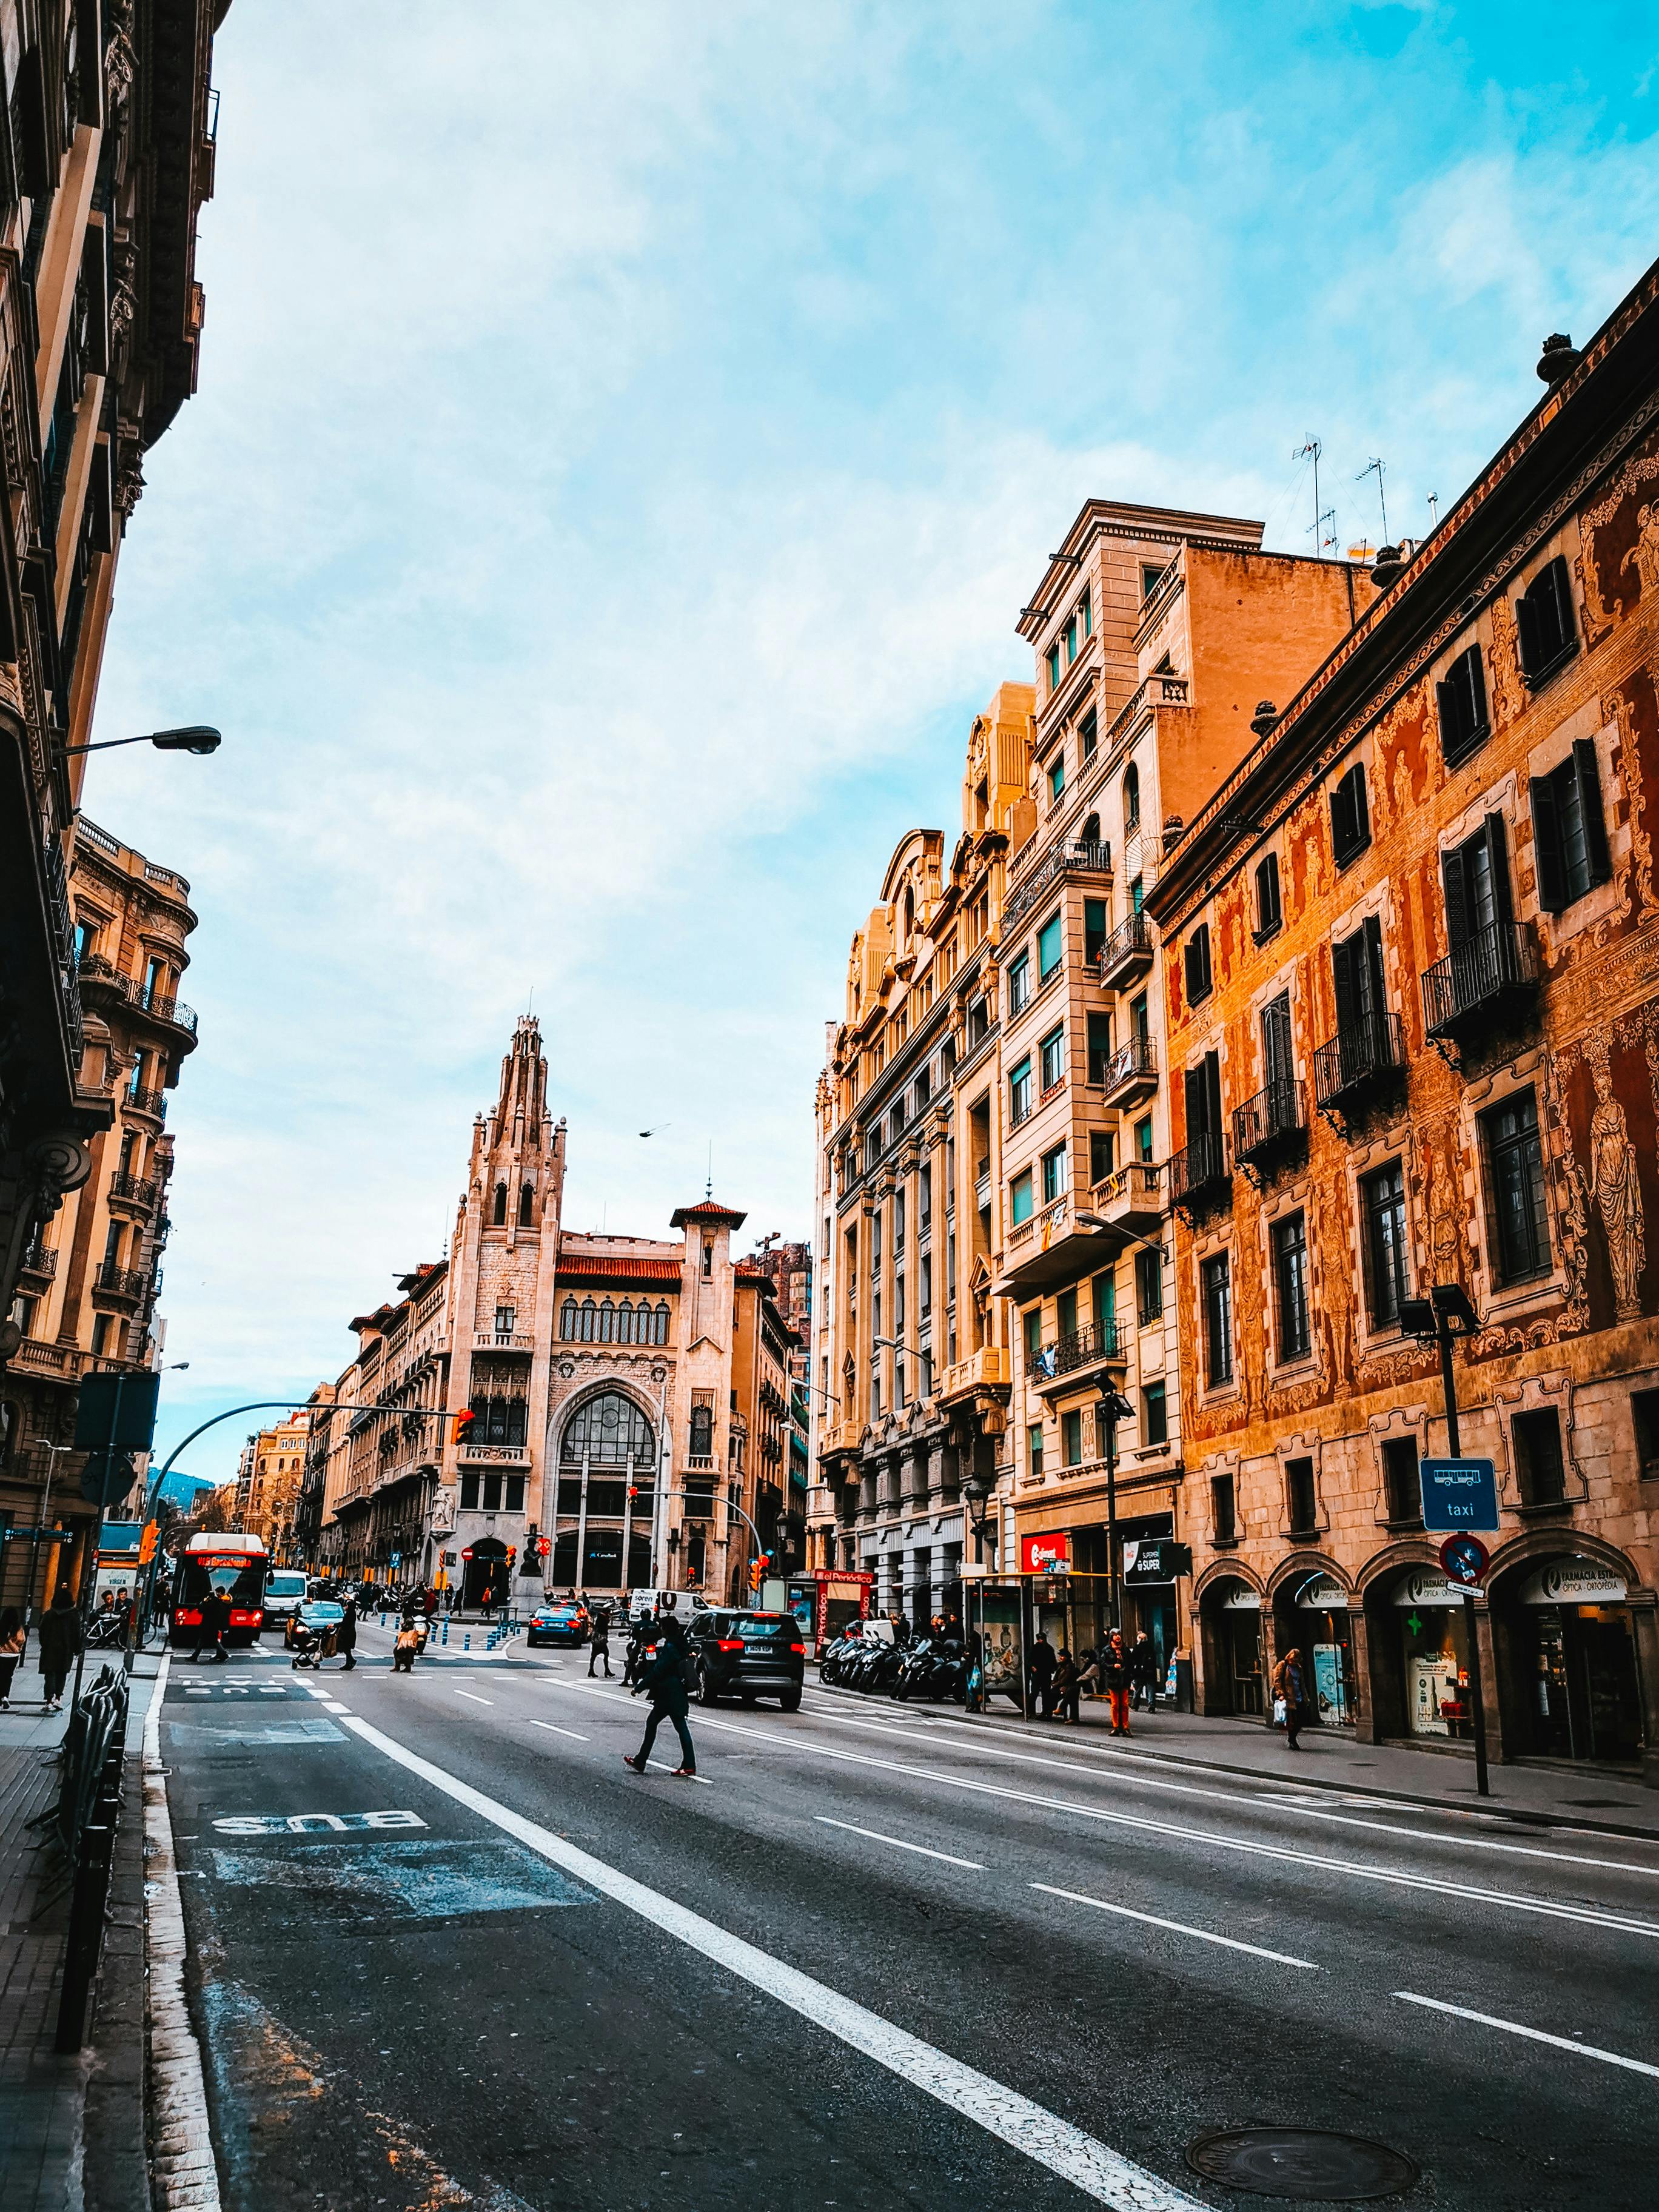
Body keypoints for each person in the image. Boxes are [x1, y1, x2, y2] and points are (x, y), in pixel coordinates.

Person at [624, 1622, 696, 1777]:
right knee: (668, 1724)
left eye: (662, 1627)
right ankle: (642, 1760)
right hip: (675, 1691)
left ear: (666, 1630)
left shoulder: (670, 1648)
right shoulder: (679, 1644)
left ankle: (688, 1764)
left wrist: (639, 1687)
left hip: (669, 1693)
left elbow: (659, 1670)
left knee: (675, 1726)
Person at [38, 1587, 82, 1708]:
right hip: (66, 1649)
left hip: (50, 1649)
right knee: (62, 1673)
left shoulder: (50, 1614)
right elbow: (77, 1633)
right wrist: (77, 1649)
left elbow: (42, 1630)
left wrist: (45, 1644)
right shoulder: (74, 1615)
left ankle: (48, 1700)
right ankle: (58, 1698)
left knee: (50, 1674)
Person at [1272, 1647, 1307, 1750]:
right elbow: (1277, 1681)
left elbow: (1302, 1683)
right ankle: (1292, 1740)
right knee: (1292, 1720)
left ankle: (1292, 1738)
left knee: (1301, 1719)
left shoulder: (1299, 1668)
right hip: (1289, 1697)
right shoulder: (1283, 1666)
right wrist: (1281, 1694)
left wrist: (1305, 1696)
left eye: (1297, 1661)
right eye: (1293, 1660)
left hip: (1299, 1695)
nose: (1294, 1662)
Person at [191, 1587, 230, 1664]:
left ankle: (223, 1654)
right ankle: (195, 1656)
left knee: (204, 1640)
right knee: (211, 1640)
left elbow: (201, 1610)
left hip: (207, 1625)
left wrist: (204, 1602)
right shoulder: (218, 1602)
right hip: (214, 1625)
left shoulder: (209, 1603)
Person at [1103, 1631, 1131, 1735]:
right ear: (1111, 1637)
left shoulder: (1125, 1650)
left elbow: (1130, 1664)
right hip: (1113, 1680)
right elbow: (1103, 1664)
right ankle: (1116, 1726)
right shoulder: (1107, 1651)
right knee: (1115, 1705)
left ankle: (1125, 1727)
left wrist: (1129, 1675)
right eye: (1115, 1635)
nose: (1118, 1637)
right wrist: (1113, 1667)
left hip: (1124, 1680)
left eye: (1119, 1634)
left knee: (1124, 1705)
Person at [0, 1606, 25, 1709]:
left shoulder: (1, 1626)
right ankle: (5, 1696)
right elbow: (22, 1640)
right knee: (8, 1676)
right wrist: (16, 1647)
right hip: (13, 1656)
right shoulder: (18, 1628)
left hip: (1, 1654)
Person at [1028, 1631, 1056, 1719]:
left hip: (1045, 1673)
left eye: (1042, 1639)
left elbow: (1053, 1661)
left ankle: (1045, 1712)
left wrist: (1052, 1669)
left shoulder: (1049, 1648)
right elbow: (1029, 1659)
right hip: (1038, 1673)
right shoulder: (1035, 1647)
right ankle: (1031, 1711)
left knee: (1045, 1694)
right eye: (1040, 1639)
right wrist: (1032, 1667)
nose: (1041, 1641)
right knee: (1035, 1693)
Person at [1050, 1646, 1081, 1724]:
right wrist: (1054, 1683)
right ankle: (1051, 1711)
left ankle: (1062, 1710)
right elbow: (1056, 1678)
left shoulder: (1069, 1667)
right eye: (1060, 1656)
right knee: (1051, 1693)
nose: (1060, 1658)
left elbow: (1065, 1680)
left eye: (1062, 1656)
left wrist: (1056, 1685)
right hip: (1063, 1688)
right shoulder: (1060, 1666)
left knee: (1072, 1694)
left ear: (1066, 1658)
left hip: (1067, 1687)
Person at [1130, 1630, 1159, 1713]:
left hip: (1140, 1672)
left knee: (1137, 1690)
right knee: (1151, 1690)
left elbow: (1133, 1659)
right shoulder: (1150, 1647)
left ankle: (1135, 1705)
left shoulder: (1138, 1647)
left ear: (1139, 1639)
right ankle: (1151, 1706)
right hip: (1150, 1672)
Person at [588, 1602, 612, 1678]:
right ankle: (605, 1671)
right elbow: (602, 1628)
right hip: (600, 1639)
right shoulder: (602, 1618)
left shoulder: (599, 1617)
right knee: (605, 1654)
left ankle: (592, 1670)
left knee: (594, 1656)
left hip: (597, 1639)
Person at [337, 1596, 358, 1671]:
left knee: (346, 1649)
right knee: (347, 1649)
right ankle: (349, 1662)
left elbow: (345, 1623)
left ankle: (351, 1662)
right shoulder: (351, 1612)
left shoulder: (350, 1613)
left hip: (348, 1633)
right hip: (349, 1632)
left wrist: (335, 1625)